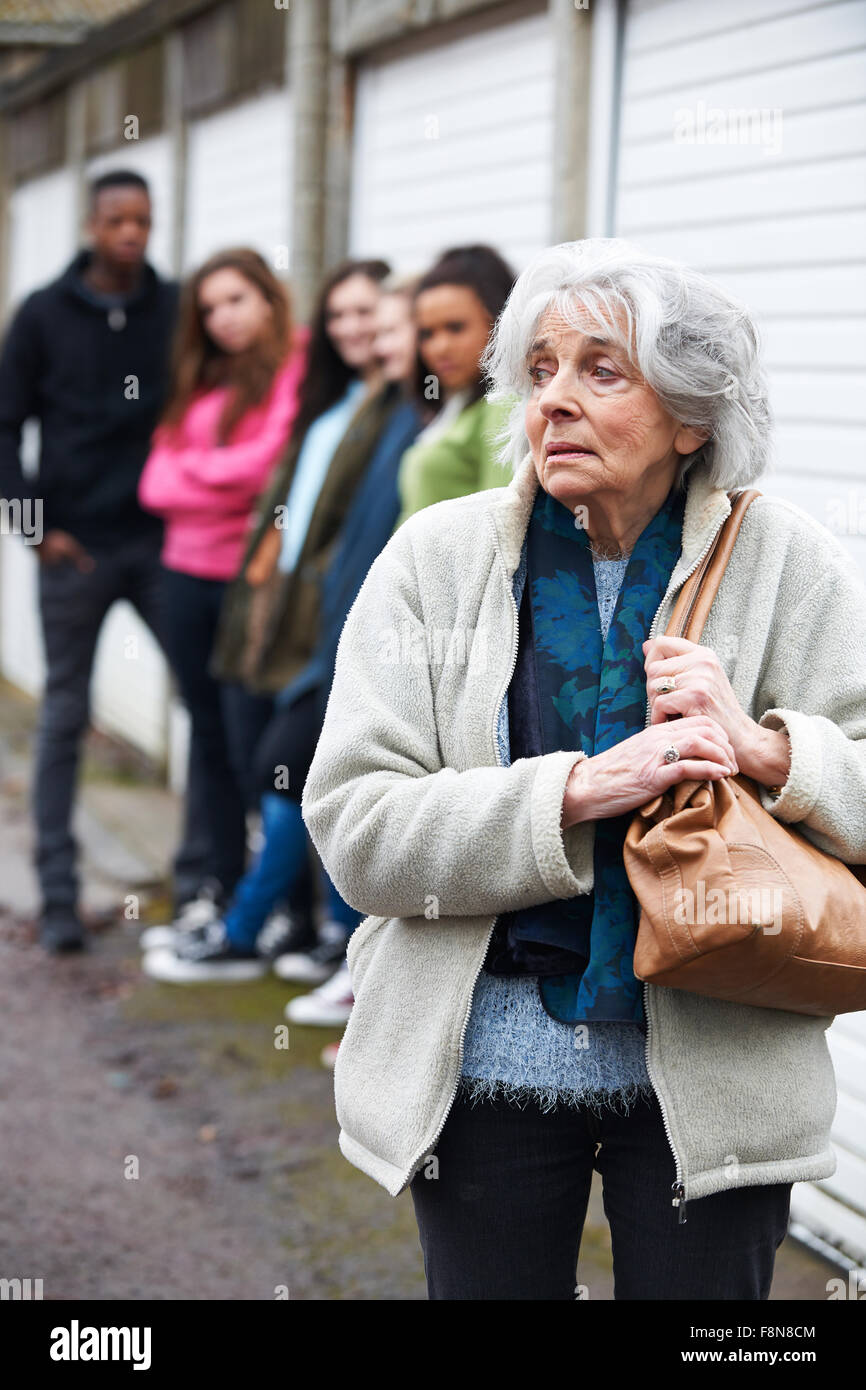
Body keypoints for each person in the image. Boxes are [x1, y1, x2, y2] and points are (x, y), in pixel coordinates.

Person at [301, 238, 866, 1300]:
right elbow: (356, 827)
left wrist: (766, 750)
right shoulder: (436, 558)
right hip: (476, 1077)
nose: (552, 400)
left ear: (693, 416)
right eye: (541, 369)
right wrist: (569, 792)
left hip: (719, 1079)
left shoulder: (788, 563)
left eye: (600, 370)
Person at [140, 258, 406, 981]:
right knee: (255, 756)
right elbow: (155, 479)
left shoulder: (393, 410)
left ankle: (291, 931)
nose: (358, 330)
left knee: (293, 765)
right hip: (265, 602)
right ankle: (285, 923)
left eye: (373, 317)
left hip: (334, 618)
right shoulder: (340, 399)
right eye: (344, 316)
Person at [0, 168, 202, 952]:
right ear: (91, 225)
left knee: (204, 697)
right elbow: (5, 426)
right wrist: (33, 532)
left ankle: (201, 885)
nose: (131, 233)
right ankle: (57, 897)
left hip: (158, 543)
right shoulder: (43, 315)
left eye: (143, 221)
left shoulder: (174, 307)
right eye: (117, 219)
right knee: (63, 714)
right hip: (73, 550)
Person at [137, 248, 309, 930]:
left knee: (254, 747)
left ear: (269, 298)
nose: (222, 319)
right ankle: (221, 885)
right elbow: (153, 483)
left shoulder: (296, 365)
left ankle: (284, 905)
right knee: (205, 734)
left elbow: (265, 464)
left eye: (236, 299)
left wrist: (195, 471)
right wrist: (216, 474)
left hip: (251, 585)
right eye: (209, 308)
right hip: (183, 576)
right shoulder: (200, 377)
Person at [392, 244, 516, 531]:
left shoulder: (503, 403)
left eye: (455, 327)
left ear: (498, 322)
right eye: (427, 333)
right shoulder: (457, 402)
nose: (439, 347)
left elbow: (502, 529)